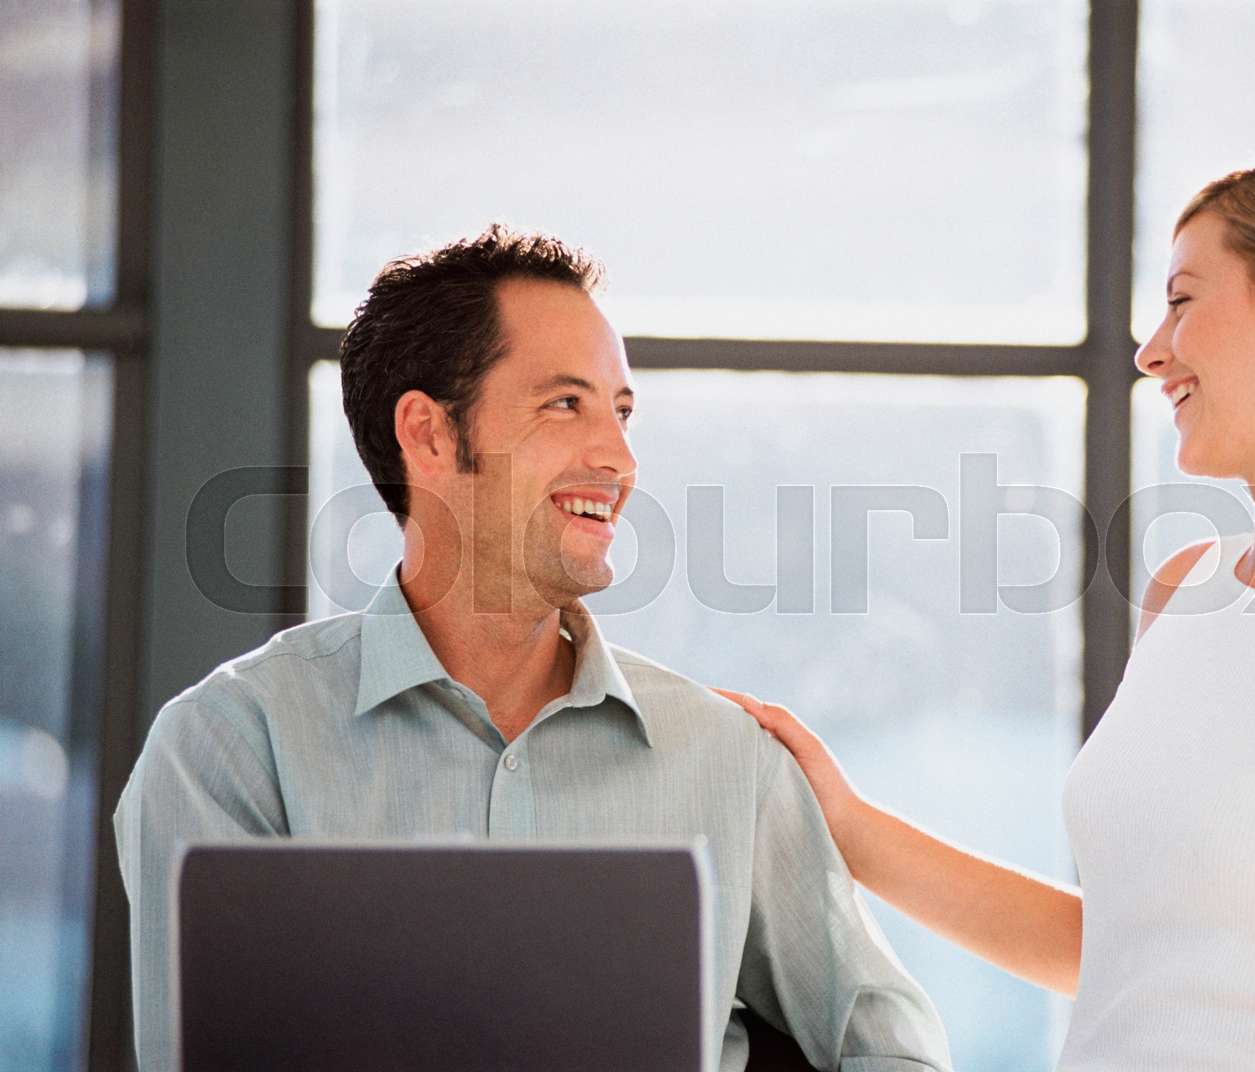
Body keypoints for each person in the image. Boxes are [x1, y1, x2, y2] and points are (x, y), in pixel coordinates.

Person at [718, 112, 1255, 1071]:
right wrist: (849, 828)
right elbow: (1120, 954)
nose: (1151, 352)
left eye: (1184, 301)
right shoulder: (1186, 590)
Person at [113, 226, 952, 1072]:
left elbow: (892, 1054)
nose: (619, 457)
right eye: (566, 404)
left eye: (621, 413)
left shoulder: (728, 761)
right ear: (430, 434)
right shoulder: (230, 747)